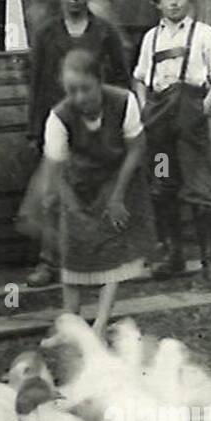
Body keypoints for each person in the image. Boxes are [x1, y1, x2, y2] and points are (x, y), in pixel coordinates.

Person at [25, 0, 131, 287]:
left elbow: (121, 81)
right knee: (54, 192)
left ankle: (99, 260)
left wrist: (119, 124)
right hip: (59, 122)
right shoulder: (46, 34)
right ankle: (49, 260)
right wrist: (35, 128)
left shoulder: (104, 33)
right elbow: (37, 81)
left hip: (96, 122)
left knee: (95, 189)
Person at [39, 48, 154, 334]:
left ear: (99, 82)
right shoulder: (58, 118)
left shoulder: (124, 101)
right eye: (72, 90)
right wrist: (70, 208)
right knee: (73, 246)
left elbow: (137, 148)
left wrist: (117, 197)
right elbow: (55, 170)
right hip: (76, 182)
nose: (79, 98)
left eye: (86, 89)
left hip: (116, 177)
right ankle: (71, 324)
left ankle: (100, 324)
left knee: (113, 245)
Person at [133, 0, 211, 289]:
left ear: (190, 0)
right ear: (158, 3)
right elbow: (140, 78)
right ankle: (172, 255)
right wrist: (146, 105)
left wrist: (204, 106)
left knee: (201, 188)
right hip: (160, 121)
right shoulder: (152, 37)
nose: (174, 2)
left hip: (191, 118)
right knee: (162, 186)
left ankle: (210, 263)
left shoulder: (204, 33)